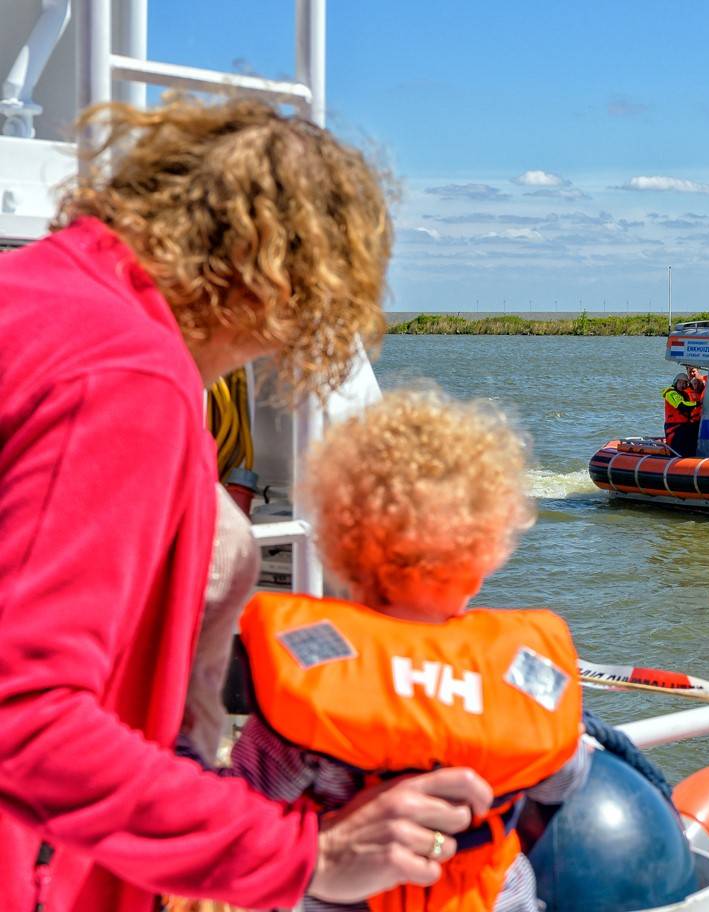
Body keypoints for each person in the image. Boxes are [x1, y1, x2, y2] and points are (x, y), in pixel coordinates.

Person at [0, 96, 491, 912]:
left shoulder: (35, 294)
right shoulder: (125, 377)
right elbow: (25, 717)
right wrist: (308, 855)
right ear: (292, 277)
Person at [231, 388, 588, 912]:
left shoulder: (319, 685)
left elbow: (250, 796)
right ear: (485, 554)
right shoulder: (518, 681)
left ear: (339, 548)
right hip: (494, 898)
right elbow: (564, 777)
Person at [662, 372, 700, 455]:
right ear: (676, 382)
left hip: (685, 426)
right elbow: (681, 405)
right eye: (680, 382)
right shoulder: (671, 393)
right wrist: (697, 403)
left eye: (684, 383)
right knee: (677, 451)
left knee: (690, 449)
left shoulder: (685, 394)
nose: (682, 385)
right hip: (674, 427)